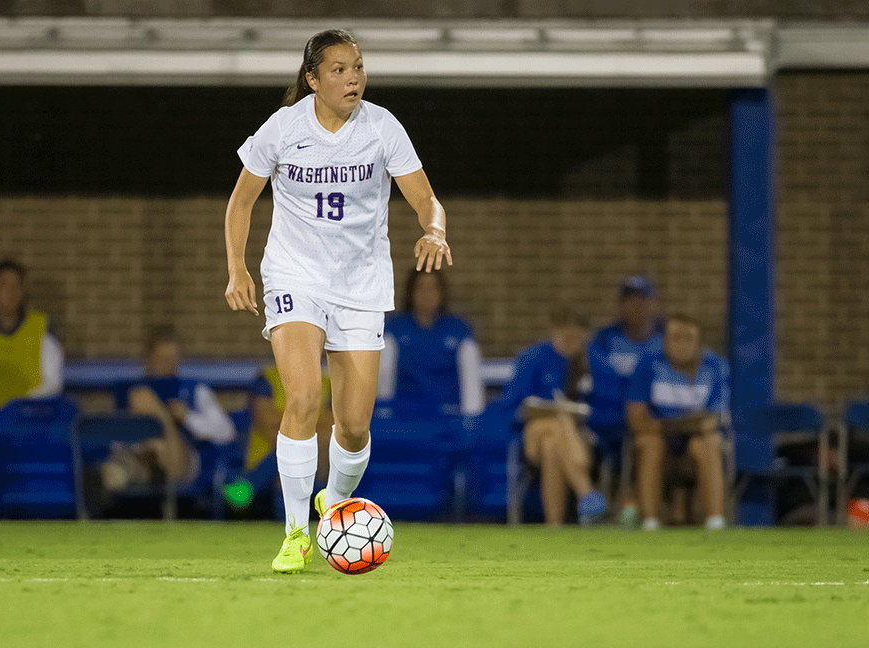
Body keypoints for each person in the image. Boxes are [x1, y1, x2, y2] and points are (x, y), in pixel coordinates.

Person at [224, 28, 452, 573]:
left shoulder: (382, 126)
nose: (353, 78)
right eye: (340, 70)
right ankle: (296, 533)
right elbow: (240, 203)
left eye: (358, 68)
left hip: (361, 282)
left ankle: (336, 497)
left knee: (352, 425)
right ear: (313, 80)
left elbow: (426, 200)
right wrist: (237, 269)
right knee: (303, 398)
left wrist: (436, 230)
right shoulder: (283, 128)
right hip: (294, 276)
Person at [495, 307, 606, 527]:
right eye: (566, 337)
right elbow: (509, 406)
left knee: (551, 445)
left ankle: (554, 525)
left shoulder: (595, 362)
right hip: (531, 435)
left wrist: (578, 415)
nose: (571, 345)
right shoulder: (531, 359)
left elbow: (607, 410)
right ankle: (586, 492)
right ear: (553, 332)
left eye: (577, 339)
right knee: (554, 423)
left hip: (580, 437)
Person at [100, 327, 236, 498]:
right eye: (161, 359)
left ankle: (150, 462)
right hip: (140, 456)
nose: (167, 364)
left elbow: (227, 431)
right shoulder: (129, 391)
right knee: (140, 397)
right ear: (148, 357)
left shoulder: (193, 389)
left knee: (144, 400)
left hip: (183, 460)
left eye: (171, 359)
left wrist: (186, 417)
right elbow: (116, 440)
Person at [626, 314, 729, 531]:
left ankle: (715, 521)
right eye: (675, 337)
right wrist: (676, 426)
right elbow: (636, 419)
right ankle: (650, 522)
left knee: (709, 442)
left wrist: (675, 425)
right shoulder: (648, 364)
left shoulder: (715, 366)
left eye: (688, 338)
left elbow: (713, 420)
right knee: (649, 442)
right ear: (664, 340)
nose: (681, 343)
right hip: (659, 441)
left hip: (693, 444)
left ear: (699, 342)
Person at [0, 259, 64, 446]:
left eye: (17, 285)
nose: (11, 292)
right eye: (4, 285)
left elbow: (52, 384)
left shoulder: (41, 330)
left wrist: (18, 410)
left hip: (30, 426)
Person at [587, 275, 663, 525]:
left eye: (643, 300)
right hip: (612, 420)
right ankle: (608, 506)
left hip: (654, 416)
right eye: (630, 301)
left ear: (653, 304)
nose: (637, 306)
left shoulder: (664, 338)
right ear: (621, 305)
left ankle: (647, 507)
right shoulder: (605, 339)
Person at [221, 365, 334, 516]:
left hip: (315, 461)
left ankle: (249, 486)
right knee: (292, 453)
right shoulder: (268, 378)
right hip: (265, 456)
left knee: (295, 449)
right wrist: (305, 428)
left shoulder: (326, 382)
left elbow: (330, 425)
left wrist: (290, 427)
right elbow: (266, 423)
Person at [378, 267, 484, 418]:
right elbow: (384, 381)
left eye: (433, 288)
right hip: (404, 419)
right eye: (421, 288)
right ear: (411, 292)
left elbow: (471, 387)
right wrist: (384, 418)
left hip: (448, 420)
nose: (427, 294)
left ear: (441, 292)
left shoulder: (459, 331)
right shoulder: (394, 330)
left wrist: (471, 422)